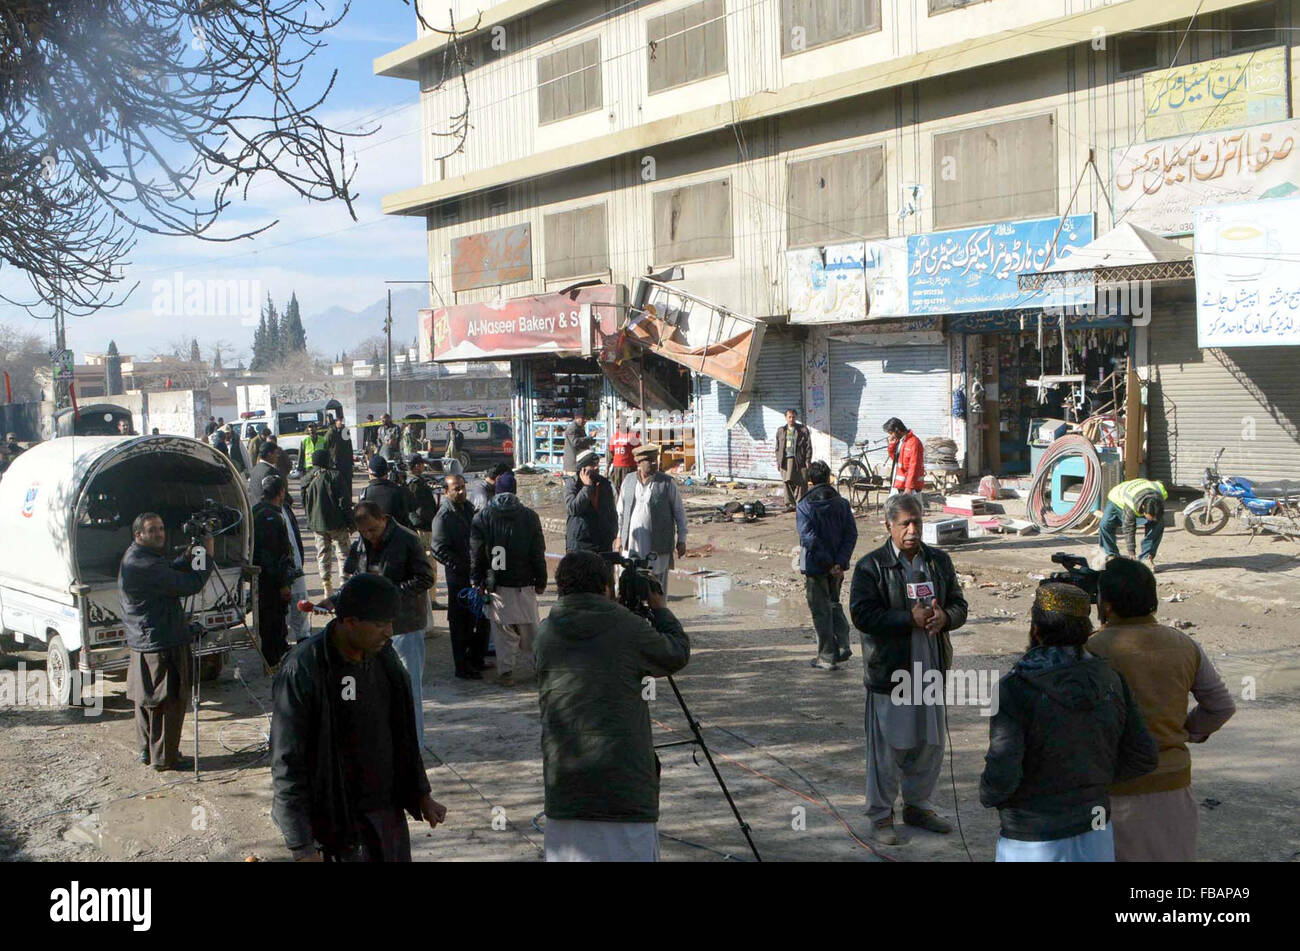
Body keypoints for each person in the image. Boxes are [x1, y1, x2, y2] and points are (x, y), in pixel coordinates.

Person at [271, 574, 447, 862]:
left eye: (390, 623)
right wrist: (302, 848)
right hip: (337, 825)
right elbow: (287, 764)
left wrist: (421, 794)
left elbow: (403, 732)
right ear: (350, 622)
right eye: (380, 625)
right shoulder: (302, 671)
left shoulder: (384, 658)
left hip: (386, 817)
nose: (390, 632)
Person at [980, 583, 1158, 862]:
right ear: (1085, 632)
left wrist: (991, 795)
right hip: (1095, 828)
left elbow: (1003, 770)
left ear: (1036, 630)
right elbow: (1143, 755)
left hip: (1032, 836)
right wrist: (1093, 783)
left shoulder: (1015, 688)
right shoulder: (1112, 679)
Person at [535, 551, 690, 862]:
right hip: (624, 795)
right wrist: (660, 610)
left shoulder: (544, 632)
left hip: (566, 789)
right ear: (607, 588)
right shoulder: (628, 627)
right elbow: (675, 654)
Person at [1087, 557, 1236, 861]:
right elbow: (1220, 706)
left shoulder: (1091, 650)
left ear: (1108, 605)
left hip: (1112, 787)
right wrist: (1188, 731)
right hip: (1173, 783)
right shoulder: (1183, 644)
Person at [849, 492, 968, 845]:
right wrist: (908, 619)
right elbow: (863, 615)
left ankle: (918, 806)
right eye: (905, 524)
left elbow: (960, 605)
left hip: (930, 669)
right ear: (889, 526)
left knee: (928, 744)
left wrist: (945, 617)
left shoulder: (938, 562)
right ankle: (882, 815)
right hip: (892, 673)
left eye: (917, 522)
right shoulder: (872, 567)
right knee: (889, 747)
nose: (912, 530)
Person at [118, 512, 213, 770]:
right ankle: (165, 758)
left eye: (160, 528)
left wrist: (189, 556)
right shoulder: (144, 565)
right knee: (168, 700)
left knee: (146, 700)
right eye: (152, 530)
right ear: (138, 535)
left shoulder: (139, 556)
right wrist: (207, 554)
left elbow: (169, 570)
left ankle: (148, 752)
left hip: (147, 639)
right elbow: (191, 583)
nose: (159, 533)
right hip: (161, 642)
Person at [345, 501, 436, 743]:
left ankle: (415, 745)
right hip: (372, 629)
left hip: (405, 624)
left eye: (373, 530)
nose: (369, 536)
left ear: (383, 519)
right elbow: (354, 576)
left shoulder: (407, 539)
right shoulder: (362, 544)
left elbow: (425, 577)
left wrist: (390, 593)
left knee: (408, 688)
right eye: (363, 532)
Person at [470, 470, 546, 688]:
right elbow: (537, 552)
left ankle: (506, 673)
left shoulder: (483, 517)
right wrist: (541, 580)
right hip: (525, 582)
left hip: (497, 583)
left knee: (502, 632)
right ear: (515, 490)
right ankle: (540, 668)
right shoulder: (530, 517)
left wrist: (477, 580)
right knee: (531, 630)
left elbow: (476, 553)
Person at [797, 460, 858, 670]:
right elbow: (851, 534)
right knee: (834, 603)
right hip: (837, 568)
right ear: (828, 477)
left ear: (811, 480)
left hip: (816, 566)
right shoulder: (842, 504)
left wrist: (829, 563)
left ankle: (826, 656)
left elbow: (809, 539)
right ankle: (842, 645)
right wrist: (839, 562)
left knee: (820, 610)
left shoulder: (804, 506)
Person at [431, 473, 486, 679]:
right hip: (458, 578)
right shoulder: (443, 517)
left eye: (463, 487)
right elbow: (438, 549)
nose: (461, 491)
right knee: (460, 622)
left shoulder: (468, 508)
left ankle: (475, 659)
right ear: (446, 491)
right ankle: (462, 666)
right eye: (456, 488)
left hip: (474, 574)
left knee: (478, 618)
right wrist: (460, 566)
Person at [614, 444, 687, 597]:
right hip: (632, 545)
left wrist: (682, 540)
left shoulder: (667, 483)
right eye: (650, 460)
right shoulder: (628, 481)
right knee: (629, 586)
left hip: (658, 548)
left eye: (656, 459)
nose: (655, 463)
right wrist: (620, 536)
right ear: (639, 463)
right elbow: (620, 512)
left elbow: (679, 513)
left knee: (657, 589)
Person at [252, 475, 297, 667]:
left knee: (272, 617)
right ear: (281, 493)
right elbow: (271, 555)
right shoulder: (270, 517)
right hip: (270, 580)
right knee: (273, 618)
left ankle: (277, 651)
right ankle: (273, 658)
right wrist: (283, 583)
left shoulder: (257, 511)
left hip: (263, 577)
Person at [302, 449, 353, 600]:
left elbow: (305, 503)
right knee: (343, 554)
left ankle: (326, 586)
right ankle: (344, 585)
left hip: (317, 525)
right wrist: (350, 521)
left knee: (323, 555)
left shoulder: (307, 479)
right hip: (337, 523)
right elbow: (344, 502)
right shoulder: (335, 476)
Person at [1099, 479, 1167, 571]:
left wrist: (1155, 520)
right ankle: (1111, 555)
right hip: (1117, 499)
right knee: (1105, 524)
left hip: (1139, 490)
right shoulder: (1130, 502)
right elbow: (1129, 528)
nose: (1151, 519)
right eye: (1149, 516)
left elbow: (1156, 515)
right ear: (1143, 507)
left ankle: (1146, 558)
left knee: (1158, 524)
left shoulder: (1160, 496)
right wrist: (1131, 554)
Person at [406, 454, 442, 611]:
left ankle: (430, 598)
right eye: (421, 464)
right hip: (423, 527)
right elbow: (414, 507)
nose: (423, 466)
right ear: (415, 466)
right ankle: (431, 599)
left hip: (422, 525)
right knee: (429, 563)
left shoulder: (414, 481)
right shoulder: (415, 483)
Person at [564, 448, 618, 553]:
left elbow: (611, 512)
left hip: (602, 543)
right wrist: (587, 487)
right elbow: (573, 508)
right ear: (583, 469)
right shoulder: (572, 484)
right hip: (580, 544)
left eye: (597, 464)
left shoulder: (604, 484)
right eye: (592, 465)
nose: (597, 467)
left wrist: (612, 533)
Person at [774, 408, 812, 510]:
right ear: (786, 418)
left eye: (793, 417)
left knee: (802, 481)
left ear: (796, 418)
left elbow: (808, 446)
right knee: (786, 482)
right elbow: (777, 448)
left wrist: (808, 460)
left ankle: (801, 502)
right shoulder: (781, 431)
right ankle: (790, 504)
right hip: (786, 460)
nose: (791, 419)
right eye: (789, 417)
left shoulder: (803, 430)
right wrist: (778, 461)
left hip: (799, 459)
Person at [360, 454, 411, 528]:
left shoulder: (364, 493)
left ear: (370, 472)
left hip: (372, 537)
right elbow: (405, 518)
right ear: (386, 472)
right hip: (395, 536)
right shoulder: (397, 491)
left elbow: (361, 521)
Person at [883, 417, 924, 497]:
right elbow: (896, 460)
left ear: (897, 430)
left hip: (910, 489)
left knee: (912, 509)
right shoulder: (901, 441)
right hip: (898, 486)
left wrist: (908, 488)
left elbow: (914, 466)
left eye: (891, 433)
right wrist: (891, 445)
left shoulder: (913, 442)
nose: (891, 436)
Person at [323, 415, 355, 503]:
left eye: (342, 420)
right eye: (339, 420)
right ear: (336, 421)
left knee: (347, 482)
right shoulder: (331, 431)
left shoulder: (344, 431)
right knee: (336, 482)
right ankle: (336, 501)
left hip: (346, 462)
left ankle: (348, 500)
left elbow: (349, 446)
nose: (341, 422)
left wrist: (351, 462)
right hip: (335, 462)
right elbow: (326, 446)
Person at [607, 415, 640, 496]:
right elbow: (611, 453)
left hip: (629, 467)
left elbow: (638, 451)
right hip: (617, 468)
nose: (618, 426)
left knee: (629, 489)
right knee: (618, 489)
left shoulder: (633, 435)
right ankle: (619, 506)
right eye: (616, 424)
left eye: (620, 423)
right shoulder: (614, 437)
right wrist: (607, 467)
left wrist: (639, 465)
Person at [562, 412, 594, 476]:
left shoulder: (579, 427)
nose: (585, 421)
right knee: (573, 484)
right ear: (577, 418)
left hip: (579, 463)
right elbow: (576, 442)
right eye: (583, 419)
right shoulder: (572, 428)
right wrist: (589, 437)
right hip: (573, 466)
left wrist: (591, 439)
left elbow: (583, 441)